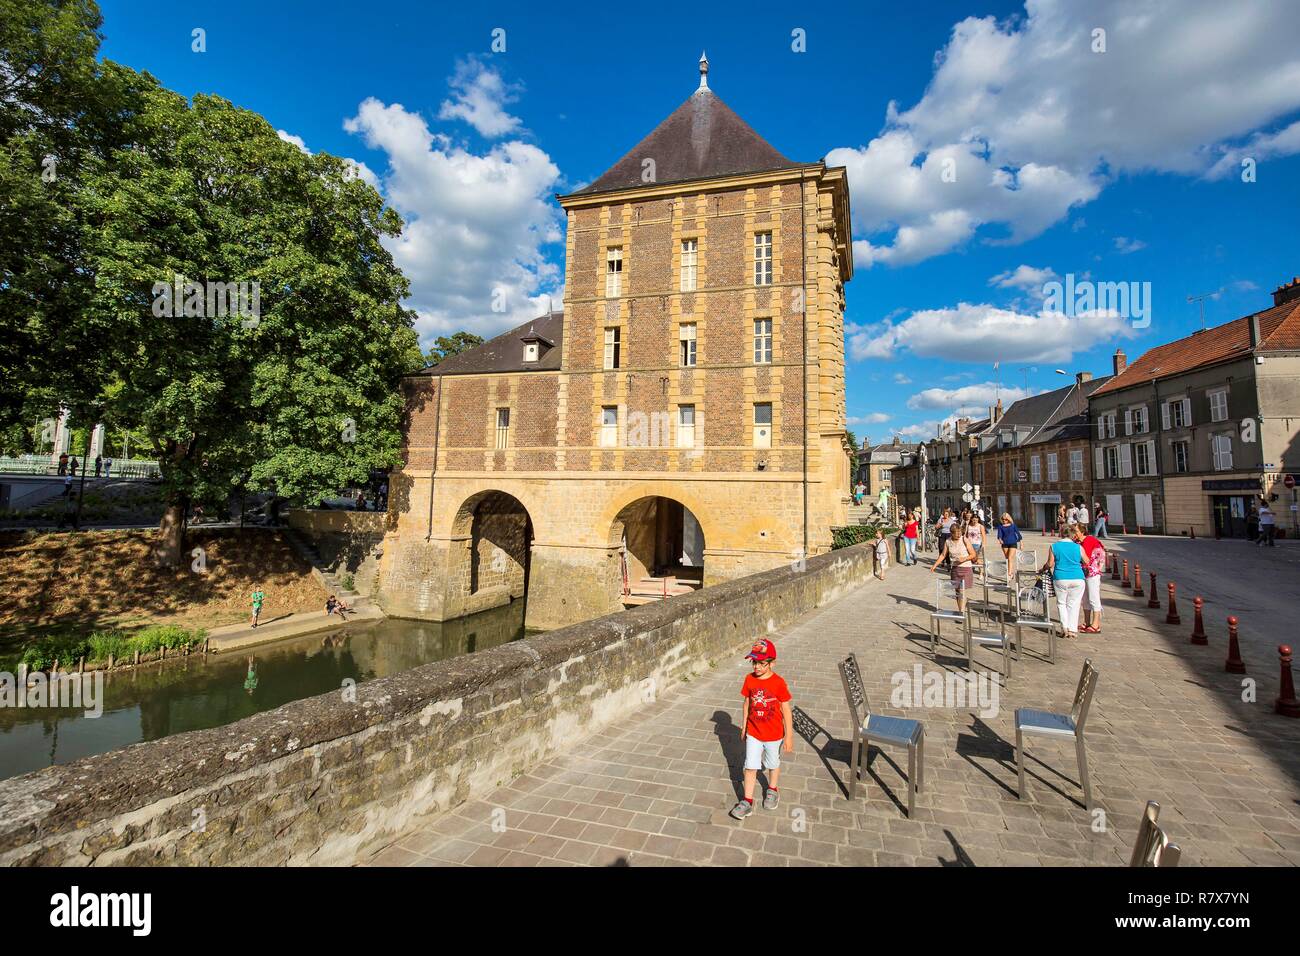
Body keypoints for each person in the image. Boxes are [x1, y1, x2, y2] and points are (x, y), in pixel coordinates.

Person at [729, 639, 793, 821]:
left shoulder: (778, 683)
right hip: (754, 733)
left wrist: (788, 735)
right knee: (750, 766)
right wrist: (744, 725)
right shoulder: (749, 679)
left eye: (761, 663)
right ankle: (747, 801)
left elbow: (786, 709)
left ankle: (772, 789)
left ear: (772, 663)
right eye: (754, 662)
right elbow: (747, 702)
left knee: (772, 763)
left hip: (774, 735)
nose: (756, 666)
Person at [1039, 530, 1086, 639]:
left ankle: (1064, 628)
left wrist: (1043, 568)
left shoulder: (1054, 546)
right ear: (1072, 535)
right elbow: (1086, 561)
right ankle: (1072, 630)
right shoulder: (1078, 547)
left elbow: (1050, 563)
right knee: (1074, 604)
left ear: (1060, 534)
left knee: (1061, 603)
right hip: (1078, 578)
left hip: (1061, 577)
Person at [933, 516, 980, 614]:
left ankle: (961, 612)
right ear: (952, 533)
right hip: (955, 569)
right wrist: (935, 565)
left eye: (960, 533)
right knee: (957, 592)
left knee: (962, 591)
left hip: (966, 568)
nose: (959, 535)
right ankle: (960, 610)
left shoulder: (964, 540)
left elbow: (973, 554)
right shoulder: (948, 541)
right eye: (956, 534)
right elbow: (943, 555)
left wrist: (964, 558)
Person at [1074, 523, 1106, 634]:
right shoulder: (1078, 542)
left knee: (1093, 597)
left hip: (1092, 573)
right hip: (1084, 573)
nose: (1074, 533)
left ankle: (1096, 624)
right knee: (1085, 598)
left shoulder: (1089, 540)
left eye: (1076, 531)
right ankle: (1087, 622)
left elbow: (1085, 558)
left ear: (1082, 531)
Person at [996, 512, 1023, 578]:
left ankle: (1009, 574)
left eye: (1006, 519)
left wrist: (1021, 544)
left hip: (1013, 543)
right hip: (1004, 544)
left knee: (1010, 558)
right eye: (1003, 519)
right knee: (1007, 559)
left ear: (1009, 519)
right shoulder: (1000, 526)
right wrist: (1000, 539)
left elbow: (1018, 534)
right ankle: (1011, 572)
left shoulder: (1013, 525)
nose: (1004, 521)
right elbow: (999, 535)